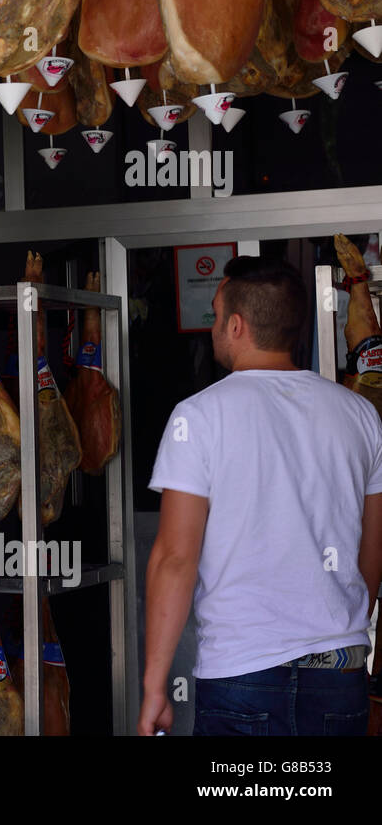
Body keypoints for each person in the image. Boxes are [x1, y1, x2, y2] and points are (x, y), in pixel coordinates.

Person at [140, 256, 382, 736]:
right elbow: (371, 551)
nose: (210, 329)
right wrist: (340, 629)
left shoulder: (200, 416)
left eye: (213, 316)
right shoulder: (359, 415)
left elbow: (174, 558)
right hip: (339, 675)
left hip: (241, 673)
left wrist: (153, 685)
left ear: (237, 324)